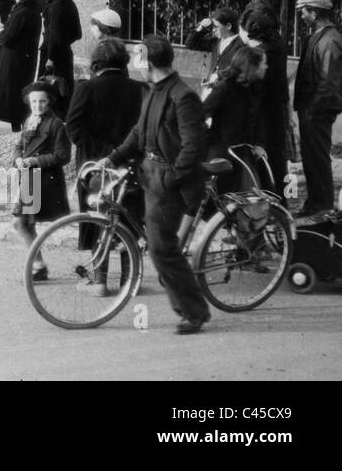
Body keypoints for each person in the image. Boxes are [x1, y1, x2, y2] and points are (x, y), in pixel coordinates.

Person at [105, 35, 211, 335]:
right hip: (149, 173)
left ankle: (195, 312)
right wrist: (111, 159)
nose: (135, 63)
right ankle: (182, 293)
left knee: (161, 247)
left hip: (168, 180)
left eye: (138, 57)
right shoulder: (153, 90)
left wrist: (174, 177)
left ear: (148, 62)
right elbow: (139, 133)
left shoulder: (182, 95)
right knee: (158, 245)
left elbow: (193, 145)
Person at [12, 81, 71, 279]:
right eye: (34, 101)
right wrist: (18, 159)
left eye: (42, 101)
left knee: (23, 223)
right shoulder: (29, 120)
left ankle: (38, 266)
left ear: (49, 102)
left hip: (44, 180)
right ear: (29, 102)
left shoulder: (55, 124)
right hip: (28, 179)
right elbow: (18, 145)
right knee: (23, 224)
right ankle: (38, 265)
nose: (38, 106)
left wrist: (35, 160)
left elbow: (63, 156)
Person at [292, 0, 342, 219]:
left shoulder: (330, 40)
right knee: (311, 158)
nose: (302, 15)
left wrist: (313, 109)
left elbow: (329, 82)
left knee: (318, 158)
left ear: (315, 13)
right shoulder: (317, 37)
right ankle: (315, 203)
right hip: (310, 109)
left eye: (304, 11)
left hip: (318, 111)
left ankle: (322, 206)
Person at [64, 37, 145, 170]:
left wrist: (104, 151)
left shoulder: (86, 88)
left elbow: (73, 128)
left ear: (96, 61)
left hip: (93, 161)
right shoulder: (140, 88)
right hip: (130, 160)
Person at [203, 47, 267, 195]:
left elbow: (258, 120)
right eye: (263, 63)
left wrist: (260, 144)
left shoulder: (254, 88)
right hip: (223, 154)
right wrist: (209, 137)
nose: (266, 67)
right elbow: (200, 114)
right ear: (250, 66)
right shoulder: (224, 88)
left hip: (244, 154)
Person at [239, 6, 289, 192]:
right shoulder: (278, 45)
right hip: (275, 109)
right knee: (277, 160)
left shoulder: (256, 54)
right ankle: (281, 200)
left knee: (260, 162)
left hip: (258, 114)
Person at [0, 0, 40, 131]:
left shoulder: (21, 13)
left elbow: (10, 36)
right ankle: (19, 123)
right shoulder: (33, 11)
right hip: (26, 56)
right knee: (21, 89)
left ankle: (16, 126)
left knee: (13, 91)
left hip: (15, 58)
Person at [38, 0, 81, 118]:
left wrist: (50, 57)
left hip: (53, 54)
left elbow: (53, 36)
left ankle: (53, 122)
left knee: (50, 88)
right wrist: (64, 42)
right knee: (64, 89)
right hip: (65, 52)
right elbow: (77, 33)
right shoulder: (70, 3)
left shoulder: (55, 6)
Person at [184, 6, 245, 84]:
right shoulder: (216, 42)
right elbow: (190, 44)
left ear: (228, 26)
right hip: (210, 86)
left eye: (216, 27)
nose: (213, 30)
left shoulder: (240, 46)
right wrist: (201, 27)